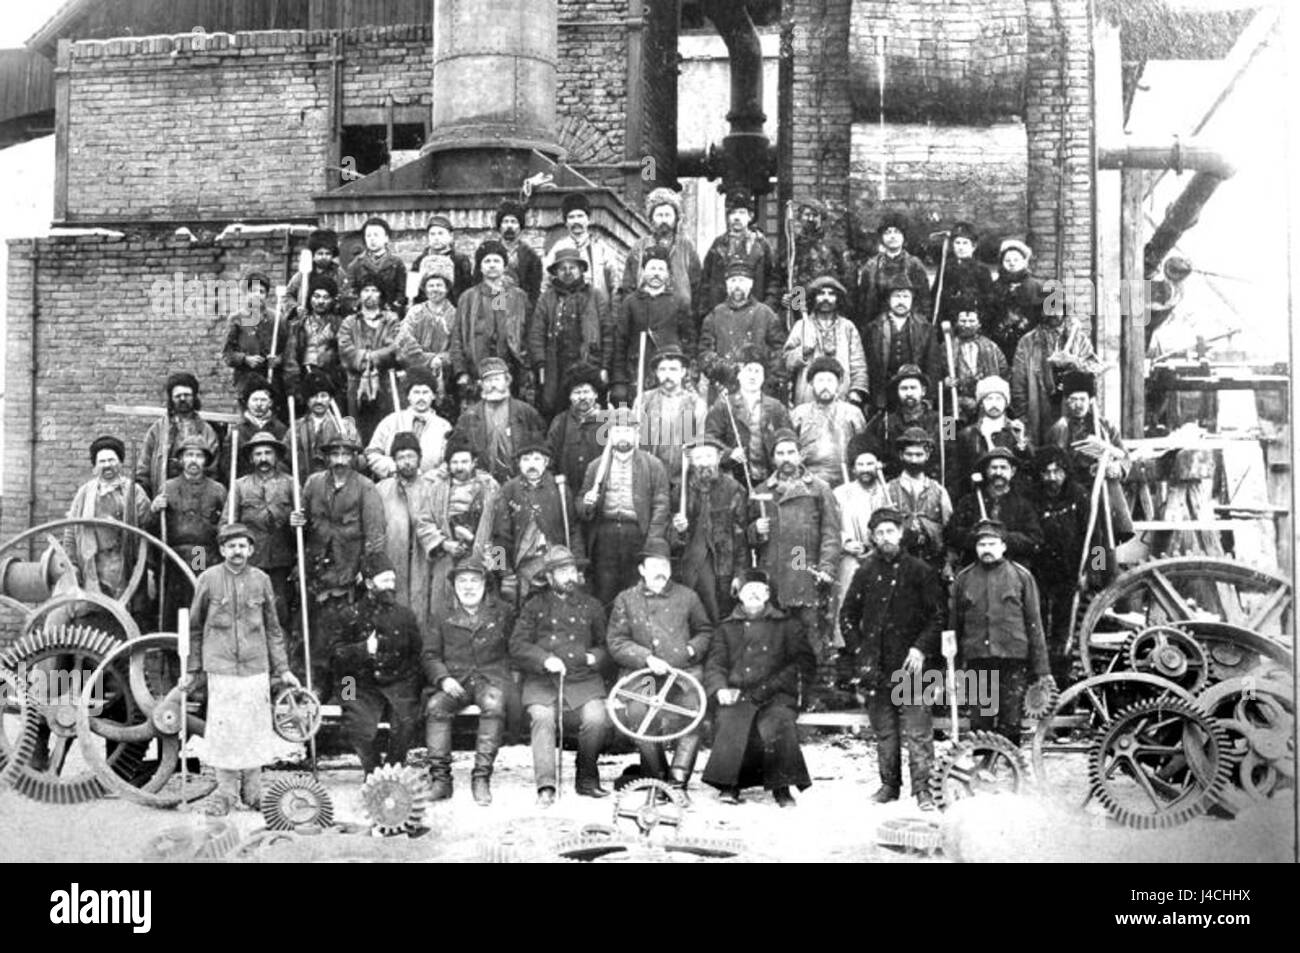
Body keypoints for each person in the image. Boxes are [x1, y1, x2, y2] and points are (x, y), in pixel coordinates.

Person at [184, 522, 299, 815]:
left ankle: (254, 793)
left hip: (254, 668)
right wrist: (193, 668)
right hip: (221, 669)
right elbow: (194, 628)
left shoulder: (261, 580)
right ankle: (225, 793)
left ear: (250, 549)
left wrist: (282, 669)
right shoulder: (208, 579)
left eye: (242, 546)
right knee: (224, 731)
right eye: (231, 546)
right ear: (222, 550)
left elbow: (273, 628)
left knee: (254, 730)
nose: (237, 551)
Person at [838, 507, 942, 809]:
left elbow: (938, 616)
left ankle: (924, 789)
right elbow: (847, 616)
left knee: (918, 730)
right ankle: (889, 785)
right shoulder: (865, 570)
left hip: (912, 666)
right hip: (876, 665)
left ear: (901, 533)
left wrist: (920, 648)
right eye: (879, 532)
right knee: (884, 729)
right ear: (872, 536)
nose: (885, 537)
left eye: (890, 531)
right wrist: (861, 650)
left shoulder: (920, 570)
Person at [606, 539, 714, 795]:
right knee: (638, 712)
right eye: (654, 565)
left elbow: (705, 632)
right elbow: (616, 642)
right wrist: (646, 658)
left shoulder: (688, 596)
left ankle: (678, 783)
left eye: (664, 565)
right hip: (644, 676)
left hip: (682, 674)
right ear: (641, 570)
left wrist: (690, 649)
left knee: (693, 710)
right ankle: (657, 780)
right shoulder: (625, 599)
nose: (660, 571)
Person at [703, 569, 815, 806]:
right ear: (739, 595)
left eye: (759, 589)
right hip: (739, 692)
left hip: (777, 693)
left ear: (767, 594)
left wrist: (771, 687)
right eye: (747, 589)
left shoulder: (787, 625)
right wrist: (720, 688)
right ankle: (729, 785)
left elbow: (802, 663)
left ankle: (781, 787)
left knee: (778, 721)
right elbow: (715, 664)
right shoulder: (726, 628)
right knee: (731, 720)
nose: (753, 594)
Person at [509, 546, 612, 804]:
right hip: (543, 680)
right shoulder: (534, 606)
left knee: (597, 719)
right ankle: (546, 785)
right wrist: (545, 659)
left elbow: (606, 645)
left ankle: (586, 776)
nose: (569, 576)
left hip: (582, 677)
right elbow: (517, 645)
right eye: (561, 572)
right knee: (542, 718)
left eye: (572, 570)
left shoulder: (592, 606)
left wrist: (595, 657)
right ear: (550, 577)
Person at [290, 429, 387, 695]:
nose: (341, 460)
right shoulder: (313, 484)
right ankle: (314, 687)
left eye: (346, 454)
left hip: (348, 572)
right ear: (327, 458)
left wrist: (366, 571)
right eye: (335, 454)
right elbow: (304, 524)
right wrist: (297, 521)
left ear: (354, 458)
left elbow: (375, 535)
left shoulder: (366, 488)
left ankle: (347, 692)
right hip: (316, 571)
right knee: (312, 632)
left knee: (345, 635)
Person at [950, 519, 1054, 744]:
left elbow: (1034, 624)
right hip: (978, 659)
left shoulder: (1021, 577)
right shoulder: (964, 579)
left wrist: (1042, 670)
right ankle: (984, 769)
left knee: (1011, 719)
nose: (987, 550)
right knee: (981, 720)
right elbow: (954, 626)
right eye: (982, 545)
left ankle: (1010, 769)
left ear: (1004, 546)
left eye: (992, 544)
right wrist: (955, 668)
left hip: (1013, 659)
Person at [423, 556, 515, 805]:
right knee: (435, 707)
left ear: (485, 584)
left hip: (490, 679)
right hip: (456, 680)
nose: (468, 586)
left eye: (474, 580)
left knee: (494, 706)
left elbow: (515, 649)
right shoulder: (441, 614)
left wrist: (505, 679)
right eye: (462, 581)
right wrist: (443, 679)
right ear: (454, 586)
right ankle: (441, 781)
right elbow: (430, 655)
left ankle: (481, 778)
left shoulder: (504, 612)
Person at [749, 429, 841, 666]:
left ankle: (816, 688)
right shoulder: (760, 492)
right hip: (774, 573)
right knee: (775, 637)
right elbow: (745, 537)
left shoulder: (819, 489)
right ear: (773, 458)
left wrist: (827, 567)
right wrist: (755, 531)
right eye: (780, 453)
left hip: (806, 572)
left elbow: (831, 533)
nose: (786, 457)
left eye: (791, 452)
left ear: (801, 455)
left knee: (811, 634)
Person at [331, 561, 422, 776]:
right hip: (353, 681)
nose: (391, 585)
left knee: (406, 721)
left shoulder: (405, 615)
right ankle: (372, 771)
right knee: (357, 723)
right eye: (385, 581)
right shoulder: (349, 614)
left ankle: (392, 771)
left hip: (397, 681)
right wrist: (364, 649)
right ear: (370, 583)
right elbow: (335, 658)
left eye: (393, 580)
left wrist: (408, 684)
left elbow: (416, 654)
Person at [577, 410, 670, 609]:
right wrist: (587, 503)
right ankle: (605, 636)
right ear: (609, 435)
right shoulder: (596, 467)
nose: (622, 436)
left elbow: (661, 505)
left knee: (635, 587)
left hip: (637, 533)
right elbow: (581, 504)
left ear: (636, 434)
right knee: (605, 587)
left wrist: (652, 540)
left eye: (628, 431)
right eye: (617, 431)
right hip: (605, 533)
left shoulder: (652, 465)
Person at [63, 436, 152, 629]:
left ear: (120, 463)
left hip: (125, 563)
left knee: (126, 618)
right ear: (95, 466)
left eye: (112, 460)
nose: (107, 465)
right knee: (94, 618)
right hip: (94, 564)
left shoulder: (134, 492)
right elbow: (71, 532)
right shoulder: (85, 493)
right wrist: (73, 566)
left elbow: (148, 530)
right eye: (102, 461)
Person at [1042, 371, 1134, 550]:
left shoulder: (1105, 427)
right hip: (1071, 491)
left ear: (1090, 400)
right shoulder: (1058, 429)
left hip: (1100, 489)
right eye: (1073, 399)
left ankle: (1099, 572)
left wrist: (1117, 468)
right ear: (1067, 401)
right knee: (1075, 538)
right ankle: (1080, 575)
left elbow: (1124, 456)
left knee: (1099, 538)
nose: (1078, 405)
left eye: (1083, 399)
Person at [667, 435, 748, 624]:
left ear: (719, 458)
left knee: (718, 615)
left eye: (709, 457)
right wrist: (677, 529)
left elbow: (741, 537)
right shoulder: (680, 491)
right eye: (699, 457)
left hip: (721, 565)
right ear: (691, 461)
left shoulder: (733, 489)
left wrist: (739, 573)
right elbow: (666, 531)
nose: (705, 463)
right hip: (686, 565)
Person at [493, 441, 583, 608]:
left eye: (537, 459)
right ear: (519, 464)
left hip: (556, 561)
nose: (531, 465)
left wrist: (578, 563)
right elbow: (499, 536)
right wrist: (503, 572)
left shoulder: (559, 488)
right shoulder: (509, 490)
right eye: (526, 460)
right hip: (523, 565)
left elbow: (573, 529)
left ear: (546, 462)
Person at [148, 435, 226, 624]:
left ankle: (196, 645)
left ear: (205, 461)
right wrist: (155, 510)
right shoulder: (168, 487)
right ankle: (172, 650)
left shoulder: (217, 490)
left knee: (196, 596)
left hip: (200, 552)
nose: (193, 460)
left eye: (199, 456)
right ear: (181, 460)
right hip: (173, 554)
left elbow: (225, 525)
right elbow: (153, 528)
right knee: (174, 605)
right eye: (189, 455)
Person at [423, 433, 500, 620]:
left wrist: (498, 565)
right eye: (454, 462)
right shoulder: (437, 488)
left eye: (464, 462)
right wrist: (444, 544)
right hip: (448, 557)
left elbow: (501, 529)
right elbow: (424, 522)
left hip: (482, 555)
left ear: (474, 462)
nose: (459, 467)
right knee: (444, 609)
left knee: (486, 608)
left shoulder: (490, 487)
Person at [1010, 292, 1102, 445]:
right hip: (1040, 405)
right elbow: (1018, 383)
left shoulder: (1078, 338)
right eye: (1047, 308)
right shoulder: (1027, 342)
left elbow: (1095, 369)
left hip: (1070, 406)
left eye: (1056, 308)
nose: (1052, 312)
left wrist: (1075, 361)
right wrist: (1023, 416)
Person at [1032, 445, 1090, 683]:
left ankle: (1064, 678)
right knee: (1040, 624)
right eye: (1046, 472)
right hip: (1041, 573)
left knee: (1066, 628)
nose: (1052, 478)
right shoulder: (1034, 497)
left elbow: (1094, 537)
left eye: (1057, 471)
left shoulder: (1078, 495)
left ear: (1066, 472)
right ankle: (1040, 678)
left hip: (1070, 573)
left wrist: (1092, 572)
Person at [528, 246, 606, 419]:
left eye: (572, 268)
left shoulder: (594, 296)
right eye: (563, 268)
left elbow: (607, 331)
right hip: (555, 363)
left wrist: (605, 366)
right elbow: (537, 332)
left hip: (587, 361)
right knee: (553, 406)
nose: (568, 272)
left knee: (588, 404)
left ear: (581, 270)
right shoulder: (547, 298)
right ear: (556, 272)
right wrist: (540, 363)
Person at [614, 247, 695, 405]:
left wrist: (688, 373)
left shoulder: (679, 302)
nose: (656, 273)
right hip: (637, 372)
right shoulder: (630, 302)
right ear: (643, 272)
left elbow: (689, 341)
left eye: (661, 269)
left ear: (667, 274)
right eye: (652, 268)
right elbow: (620, 343)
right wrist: (619, 380)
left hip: (668, 373)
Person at [374, 432, 440, 628]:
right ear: (394, 461)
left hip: (424, 560)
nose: (407, 463)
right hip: (393, 557)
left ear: (419, 459)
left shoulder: (432, 488)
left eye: (411, 456)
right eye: (401, 458)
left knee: (424, 607)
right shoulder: (380, 490)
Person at [703, 345, 793, 488]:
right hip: (735, 478)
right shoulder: (724, 405)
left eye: (757, 371)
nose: (753, 376)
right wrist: (729, 453)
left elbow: (789, 439)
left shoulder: (776, 408)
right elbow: (709, 439)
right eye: (748, 370)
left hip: (770, 478)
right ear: (739, 374)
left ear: (763, 377)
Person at [230, 432, 295, 630]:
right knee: (248, 611)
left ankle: (280, 656)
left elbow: (306, 528)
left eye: (268, 453)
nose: (264, 458)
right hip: (250, 560)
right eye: (258, 454)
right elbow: (226, 525)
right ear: (251, 458)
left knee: (279, 611)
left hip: (281, 562)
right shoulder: (239, 486)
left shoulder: (290, 484)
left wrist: (297, 522)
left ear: (276, 457)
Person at [698, 260, 786, 404]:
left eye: (742, 281)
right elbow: (704, 353)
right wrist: (728, 371)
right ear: (726, 285)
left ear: (751, 284)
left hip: (759, 390)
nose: (737, 286)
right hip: (724, 389)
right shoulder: (714, 315)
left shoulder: (766, 314)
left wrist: (766, 380)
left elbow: (779, 352)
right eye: (732, 281)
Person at [449, 357, 546, 486]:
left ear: (507, 381)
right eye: (488, 381)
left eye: (497, 379)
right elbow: (455, 451)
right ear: (481, 384)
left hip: (519, 483)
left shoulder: (526, 412)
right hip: (482, 484)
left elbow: (541, 446)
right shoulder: (469, 417)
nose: (493, 385)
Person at [449, 241, 531, 393]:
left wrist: (526, 368)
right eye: (487, 261)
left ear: (504, 265)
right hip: (476, 372)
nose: (492, 265)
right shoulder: (468, 298)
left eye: (496, 261)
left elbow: (528, 334)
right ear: (480, 267)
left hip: (512, 372)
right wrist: (461, 371)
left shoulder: (518, 297)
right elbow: (457, 337)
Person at [833, 435, 893, 631]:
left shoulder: (888, 492)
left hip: (880, 556)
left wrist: (877, 547)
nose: (866, 469)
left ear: (878, 466)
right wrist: (846, 543)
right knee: (848, 602)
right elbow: (830, 526)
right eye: (861, 464)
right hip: (850, 557)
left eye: (870, 463)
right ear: (853, 469)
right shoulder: (840, 494)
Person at [946, 447, 1043, 568]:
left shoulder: (1023, 505)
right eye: (994, 467)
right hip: (976, 568)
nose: (998, 472)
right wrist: (977, 535)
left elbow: (1034, 539)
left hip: (1012, 569)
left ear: (1012, 471)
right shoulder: (969, 502)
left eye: (1003, 468)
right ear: (986, 470)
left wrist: (1003, 537)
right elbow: (952, 533)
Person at [862, 274, 944, 413]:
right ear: (888, 299)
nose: (901, 301)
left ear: (912, 300)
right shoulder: (874, 328)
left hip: (913, 393)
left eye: (905, 296)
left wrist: (929, 397)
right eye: (896, 296)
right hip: (883, 395)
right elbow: (868, 365)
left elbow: (932, 366)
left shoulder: (925, 328)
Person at [783, 275, 868, 406]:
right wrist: (802, 352)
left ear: (838, 299)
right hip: (808, 398)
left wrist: (855, 392)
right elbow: (786, 361)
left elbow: (858, 364)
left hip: (842, 398)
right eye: (821, 293)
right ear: (814, 298)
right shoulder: (802, 326)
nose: (826, 298)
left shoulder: (848, 327)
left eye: (831, 294)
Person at [698, 186, 780, 320]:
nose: (736, 217)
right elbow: (705, 281)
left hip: (754, 316)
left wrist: (766, 309)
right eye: (732, 213)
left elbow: (773, 281)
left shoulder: (761, 245)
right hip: (722, 316)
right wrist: (707, 314)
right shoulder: (718, 245)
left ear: (750, 216)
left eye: (741, 213)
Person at [637, 346, 708, 500]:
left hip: (683, 477)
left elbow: (700, 441)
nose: (668, 375)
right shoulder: (644, 400)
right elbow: (637, 438)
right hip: (650, 476)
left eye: (673, 369)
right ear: (656, 373)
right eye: (662, 370)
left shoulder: (696, 403)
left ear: (683, 372)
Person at [136, 371, 221, 495]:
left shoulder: (206, 431)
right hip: (164, 497)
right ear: (171, 398)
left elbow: (213, 469)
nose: (182, 399)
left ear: (194, 397)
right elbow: (143, 469)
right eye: (178, 395)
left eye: (187, 395)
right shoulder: (157, 430)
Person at [338, 278, 402, 443]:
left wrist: (373, 357)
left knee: (384, 426)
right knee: (358, 426)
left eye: (374, 290)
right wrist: (362, 359)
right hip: (356, 382)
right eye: (366, 290)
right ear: (359, 295)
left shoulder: (391, 320)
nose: (370, 295)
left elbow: (395, 346)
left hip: (384, 381)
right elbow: (345, 349)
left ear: (381, 295)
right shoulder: (350, 322)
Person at [622, 187, 702, 318]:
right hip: (646, 315)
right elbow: (628, 286)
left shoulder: (686, 247)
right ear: (652, 219)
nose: (664, 220)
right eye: (659, 215)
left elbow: (697, 285)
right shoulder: (639, 247)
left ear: (676, 218)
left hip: (680, 317)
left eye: (668, 215)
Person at [543, 192, 621, 323]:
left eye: (580, 216)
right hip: (565, 318)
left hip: (597, 316)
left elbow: (615, 285)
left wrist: (613, 318)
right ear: (566, 222)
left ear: (588, 219)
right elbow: (545, 284)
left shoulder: (601, 248)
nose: (576, 221)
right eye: (571, 217)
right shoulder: (557, 249)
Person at [790, 356, 867, 488]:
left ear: (838, 384)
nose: (825, 386)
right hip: (808, 482)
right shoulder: (799, 414)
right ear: (811, 383)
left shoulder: (852, 413)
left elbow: (863, 452)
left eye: (830, 381)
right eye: (820, 381)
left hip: (845, 481)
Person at [950, 375, 1032, 499]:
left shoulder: (1018, 430)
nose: (994, 404)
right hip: (977, 496)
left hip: (1010, 497)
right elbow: (956, 470)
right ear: (981, 403)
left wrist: (1021, 443)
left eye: (999, 399)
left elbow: (1028, 467)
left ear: (1006, 402)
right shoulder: (967, 433)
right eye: (989, 399)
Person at [364, 367, 453, 479]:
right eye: (416, 392)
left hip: (430, 488)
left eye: (425, 392)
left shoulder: (444, 427)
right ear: (408, 396)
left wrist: (432, 476)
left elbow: (450, 460)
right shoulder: (391, 422)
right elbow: (372, 453)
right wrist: (392, 469)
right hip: (395, 486)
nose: (421, 398)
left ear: (433, 396)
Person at [886, 427, 953, 573]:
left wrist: (948, 563)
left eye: (919, 455)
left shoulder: (939, 491)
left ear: (927, 456)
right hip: (897, 564)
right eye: (909, 454)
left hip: (932, 562)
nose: (914, 460)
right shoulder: (888, 490)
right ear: (901, 455)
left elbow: (949, 528)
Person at [861, 364, 943, 480]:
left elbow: (954, 458)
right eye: (904, 388)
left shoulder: (947, 421)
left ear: (923, 391)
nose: (909, 393)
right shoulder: (885, 423)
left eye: (913, 388)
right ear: (897, 392)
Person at [223, 271, 289, 409]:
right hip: (246, 381)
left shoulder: (277, 319)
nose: (257, 295)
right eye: (253, 291)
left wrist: (278, 360)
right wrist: (245, 359)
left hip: (271, 380)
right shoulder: (237, 318)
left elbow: (288, 350)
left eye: (262, 291)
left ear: (266, 295)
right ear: (246, 294)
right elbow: (228, 354)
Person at [854, 212, 931, 323]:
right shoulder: (871, 267)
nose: (892, 236)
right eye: (888, 233)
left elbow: (924, 301)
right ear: (882, 237)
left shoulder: (914, 265)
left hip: (908, 324)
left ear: (904, 237)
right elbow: (863, 303)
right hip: (877, 326)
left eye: (897, 232)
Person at [395, 271, 455, 413]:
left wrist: (442, 359)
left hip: (444, 374)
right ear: (425, 289)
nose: (435, 289)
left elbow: (459, 346)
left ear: (446, 289)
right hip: (416, 371)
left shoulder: (455, 314)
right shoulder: (415, 312)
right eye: (431, 285)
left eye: (439, 285)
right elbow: (404, 341)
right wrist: (428, 359)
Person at [284, 273, 346, 403]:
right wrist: (294, 387)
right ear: (310, 298)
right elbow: (291, 358)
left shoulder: (340, 324)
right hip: (304, 377)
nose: (320, 301)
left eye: (326, 297)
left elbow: (344, 356)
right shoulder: (298, 325)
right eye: (316, 296)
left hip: (331, 381)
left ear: (332, 300)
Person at [947, 294, 1009, 424]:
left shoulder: (990, 347)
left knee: (979, 434)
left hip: (984, 405)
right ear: (956, 323)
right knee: (950, 436)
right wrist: (945, 382)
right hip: (952, 404)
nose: (967, 325)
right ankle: (949, 442)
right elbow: (935, 372)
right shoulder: (946, 347)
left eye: (971, 321)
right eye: (963, 321)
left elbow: (1004, 372)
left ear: (979, 324)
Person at [546, 363, 606, 489]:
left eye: (586, 392)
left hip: (600, 488)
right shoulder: (561, 422)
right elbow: (549, 456)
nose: (582, 397)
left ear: (596, 395)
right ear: (570, 396)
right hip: (567, 489)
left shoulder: (607, 421)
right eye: (577, 392)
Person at [291, 369, 353, 481]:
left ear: (330, 399)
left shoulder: (347, 425)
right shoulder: (296, 427)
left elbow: (356, 458)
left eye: (323, 396)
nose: (319, 401)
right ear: (307, 400)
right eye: (313, 396)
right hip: (304, 484)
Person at [222, 378, 289, 481]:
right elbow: (228, 464)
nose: (258, 404)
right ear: (247, 402)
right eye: (254, 400)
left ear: (270, 403)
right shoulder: (237, 431)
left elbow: (286, 461)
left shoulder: (281, 429)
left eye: (263, 400)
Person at [282, 227, 353, 321]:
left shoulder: (339, 274)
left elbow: (347, 297)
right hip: (306, 320)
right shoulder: (302, 275)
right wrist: (295, 308)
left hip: (332, 321)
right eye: (320, 253)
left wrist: (338, 304)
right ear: (313, 255)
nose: (324, 257)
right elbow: (287, 295)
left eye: (327, 254)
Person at [932, 222, 994, 322]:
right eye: (957, 243)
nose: (961, 247)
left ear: (973, 246)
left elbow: (988, 300)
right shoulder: (945, 267)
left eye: (965, 243)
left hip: (971, 319)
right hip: (948, 319)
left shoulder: (982, 270)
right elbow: (936, 294)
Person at [346, 216, 407, 317]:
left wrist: (395, 307)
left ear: (386, 238)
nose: (372, 239)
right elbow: (350, 292)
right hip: (364, 314)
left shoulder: (397, 263)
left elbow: (401, 291)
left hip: (390, 314)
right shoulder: (355, 265)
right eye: (368, 236)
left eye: (376, 235)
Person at [412, 215, 474, 305]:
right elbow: (412, 291)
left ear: (450, 236)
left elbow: (466, 289)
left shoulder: (460, 260)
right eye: (432, 234)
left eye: (440, 233)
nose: (436, 238)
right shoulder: (420, 261)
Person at [493, 200, 543, 310]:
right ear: (499, 226)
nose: (509, 225)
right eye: (505, 221)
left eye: (513, 222)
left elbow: (534, 293)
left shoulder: (531, 257)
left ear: (520, 227)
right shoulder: (490, 253)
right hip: (494, 308)